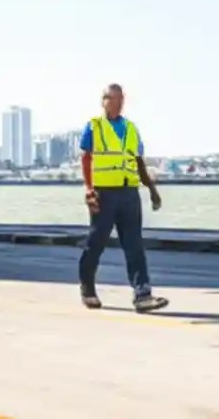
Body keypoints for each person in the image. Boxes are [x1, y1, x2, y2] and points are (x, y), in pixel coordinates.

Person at [78, 83, 168, 312]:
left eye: (120, 99)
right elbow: (86, 159)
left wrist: (152, 190)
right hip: (104, 194)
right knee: (96, 242)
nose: (116, 103)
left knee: (134, 245)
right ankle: (87, 288)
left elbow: (138, 162)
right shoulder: (94, 126)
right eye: (112, 98)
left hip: (129, 194)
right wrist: (89, 189)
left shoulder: (130, 128)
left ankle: (142, 295)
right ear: (103, 101)